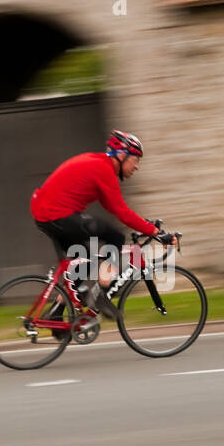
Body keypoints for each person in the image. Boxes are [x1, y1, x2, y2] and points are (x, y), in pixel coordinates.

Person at [30, 130, 175, 319]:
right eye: (136, 159)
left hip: (47, 213)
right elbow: (122, 212)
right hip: (56, 215)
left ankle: (56, 312)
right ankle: (101, 292)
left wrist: (144, 225)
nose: (137, 166)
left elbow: (114, 207)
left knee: (84, 261)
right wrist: (156, 231)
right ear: (122, 155)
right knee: (115, 237)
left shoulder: (99, 165)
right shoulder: (104, 169)